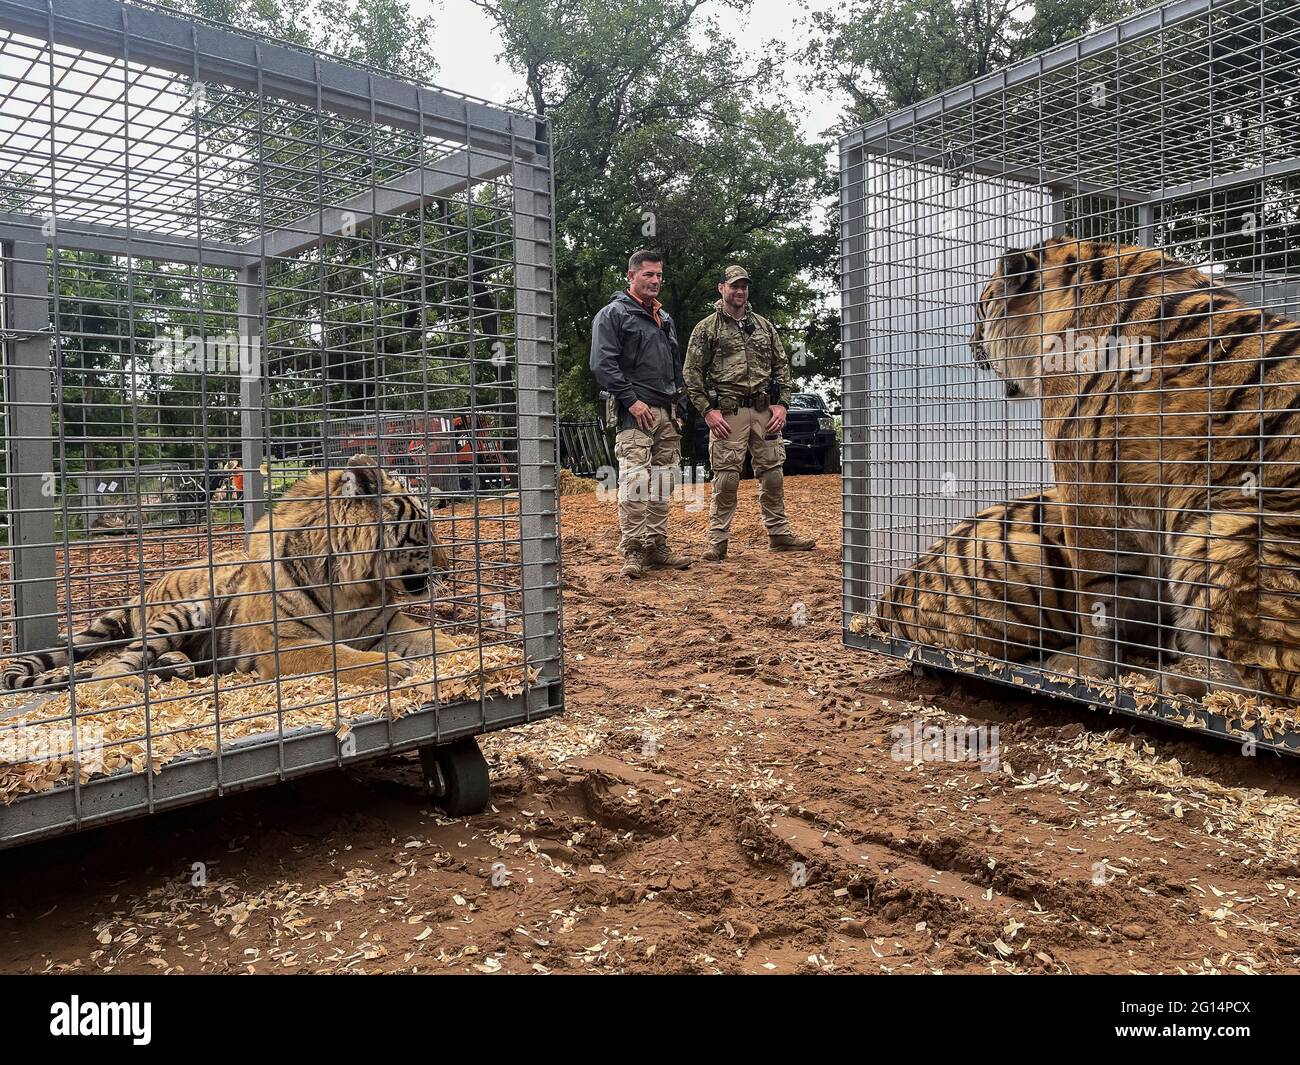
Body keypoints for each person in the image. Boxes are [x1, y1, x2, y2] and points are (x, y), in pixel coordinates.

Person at [683, 264, 816, 561]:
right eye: (734, 285)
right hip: (728, 413)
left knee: (773, 475)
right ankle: (717, 542)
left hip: (763, 411)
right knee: (727, 478)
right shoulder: (706, 329)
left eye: (744, 286)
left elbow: (782, 366)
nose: (740, 291)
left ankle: (779, 535)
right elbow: (691, 374)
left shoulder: (763, 326)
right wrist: (707, 412)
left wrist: (782, 403)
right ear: (721, 288)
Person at [589, 249, 691, 579]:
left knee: (663, 482)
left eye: (659, 275)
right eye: (648, 274)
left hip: (667, 412)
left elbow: (678, 368)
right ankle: (633, 550)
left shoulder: (665, 319)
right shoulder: (613, 314)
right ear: (631, 275)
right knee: (635, 481)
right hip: (636, 414)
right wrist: (631, 400)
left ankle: (656, 546)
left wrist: (681, 410)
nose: (655, 281)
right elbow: (602, 364)